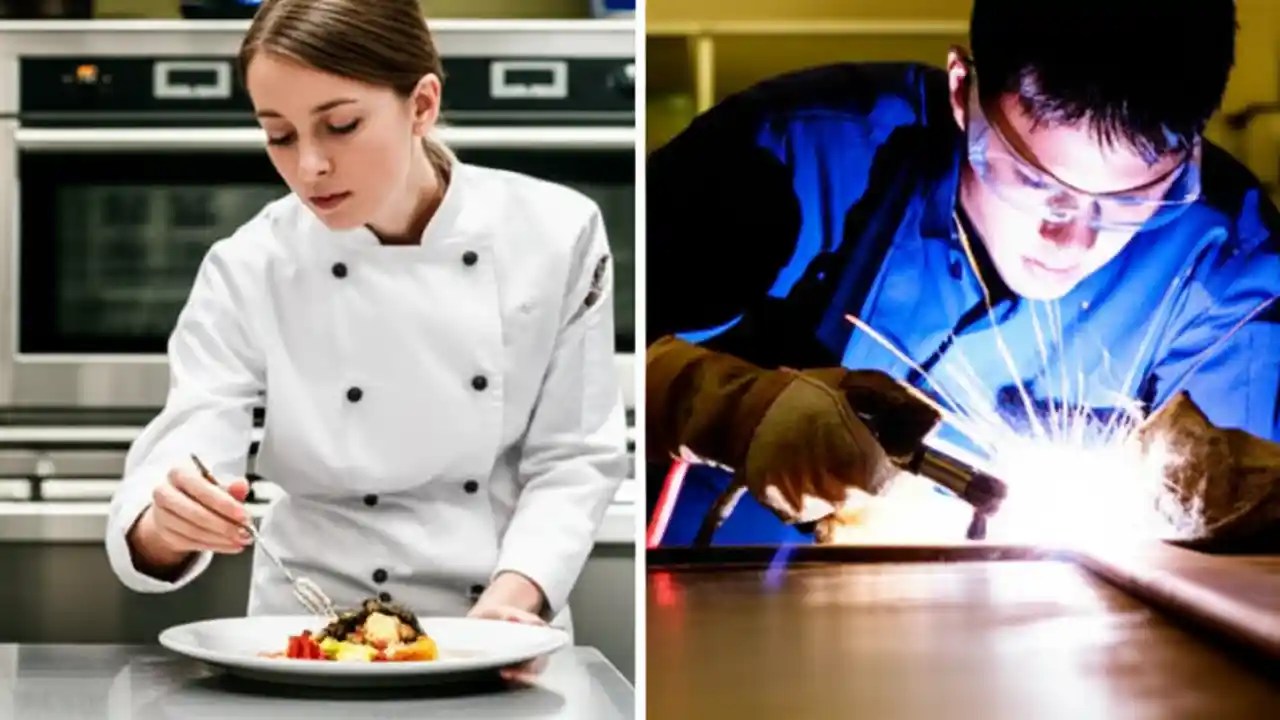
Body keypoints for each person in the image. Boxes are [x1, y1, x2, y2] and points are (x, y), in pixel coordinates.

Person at [104, 0, 628, 679]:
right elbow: (189, 447)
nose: (310, 166)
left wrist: (513, 600)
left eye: (341, 125)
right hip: (303, 642)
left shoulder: (557, 232)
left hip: (500, 637)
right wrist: (169, 525)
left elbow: (575, 456)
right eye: (279, 135)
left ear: (422, 104)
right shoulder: (250, 264)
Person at [644, 0, 1280, 547]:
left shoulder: (1223, 257)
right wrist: (712, 404)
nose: (1072, 239)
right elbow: (572, 362)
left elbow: (1235, 549)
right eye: (1034, 180)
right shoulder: (791, 158)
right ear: (962, 93)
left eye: (1132, 200)